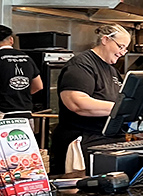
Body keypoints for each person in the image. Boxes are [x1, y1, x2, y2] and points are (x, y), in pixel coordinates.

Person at [49, 24, 131, 174]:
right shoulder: (81, 65)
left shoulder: (112, 70)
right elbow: (77, 103)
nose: (122, 53)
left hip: (106, 142)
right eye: (120, 46)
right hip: (82, 142)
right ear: (105, 40)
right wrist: (123, 108)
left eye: (125, 49)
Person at [0, 25, 43, 120]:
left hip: (2, 114)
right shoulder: (27, 58)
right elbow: (38, 86)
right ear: (11, 40)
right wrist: (20, 92)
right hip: (26, 113)